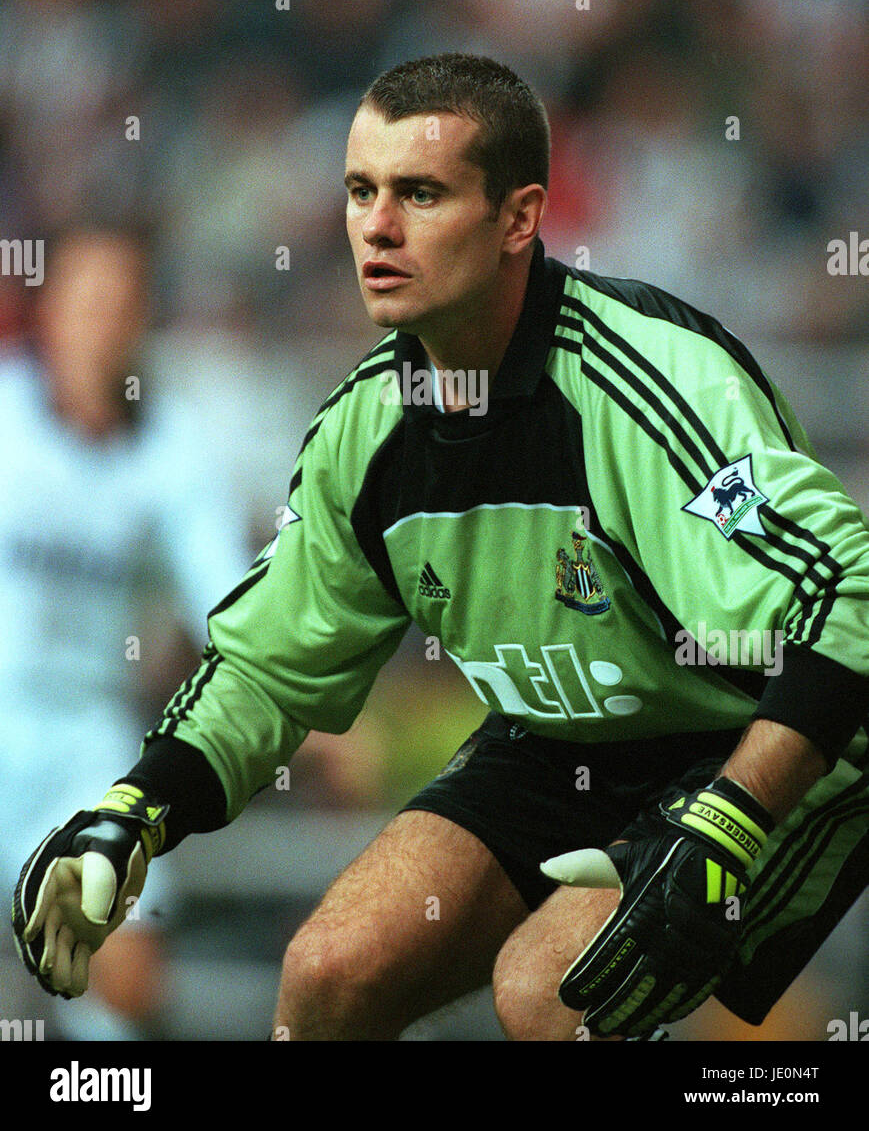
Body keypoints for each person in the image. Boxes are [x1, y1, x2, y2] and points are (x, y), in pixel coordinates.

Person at [12, 54, 869, 1041]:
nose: (376, 226)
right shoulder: (361, 432)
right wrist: (136, 810)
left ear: (517, 217)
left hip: (759, 737)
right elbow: (267, 670)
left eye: (419, 193)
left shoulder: (647, 383)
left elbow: (849, 593)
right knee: (327, 974)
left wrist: (728, 814)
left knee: (547, 992)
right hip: (559, 739)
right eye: (360, 191)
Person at [1, 219, 249, 1038]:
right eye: (87, 297)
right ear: (48, 309)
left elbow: (225, 601)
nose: (104, 319)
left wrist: (313, 711)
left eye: (123, 300)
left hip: (82, 737)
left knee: (126, 985)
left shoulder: (170, 447)